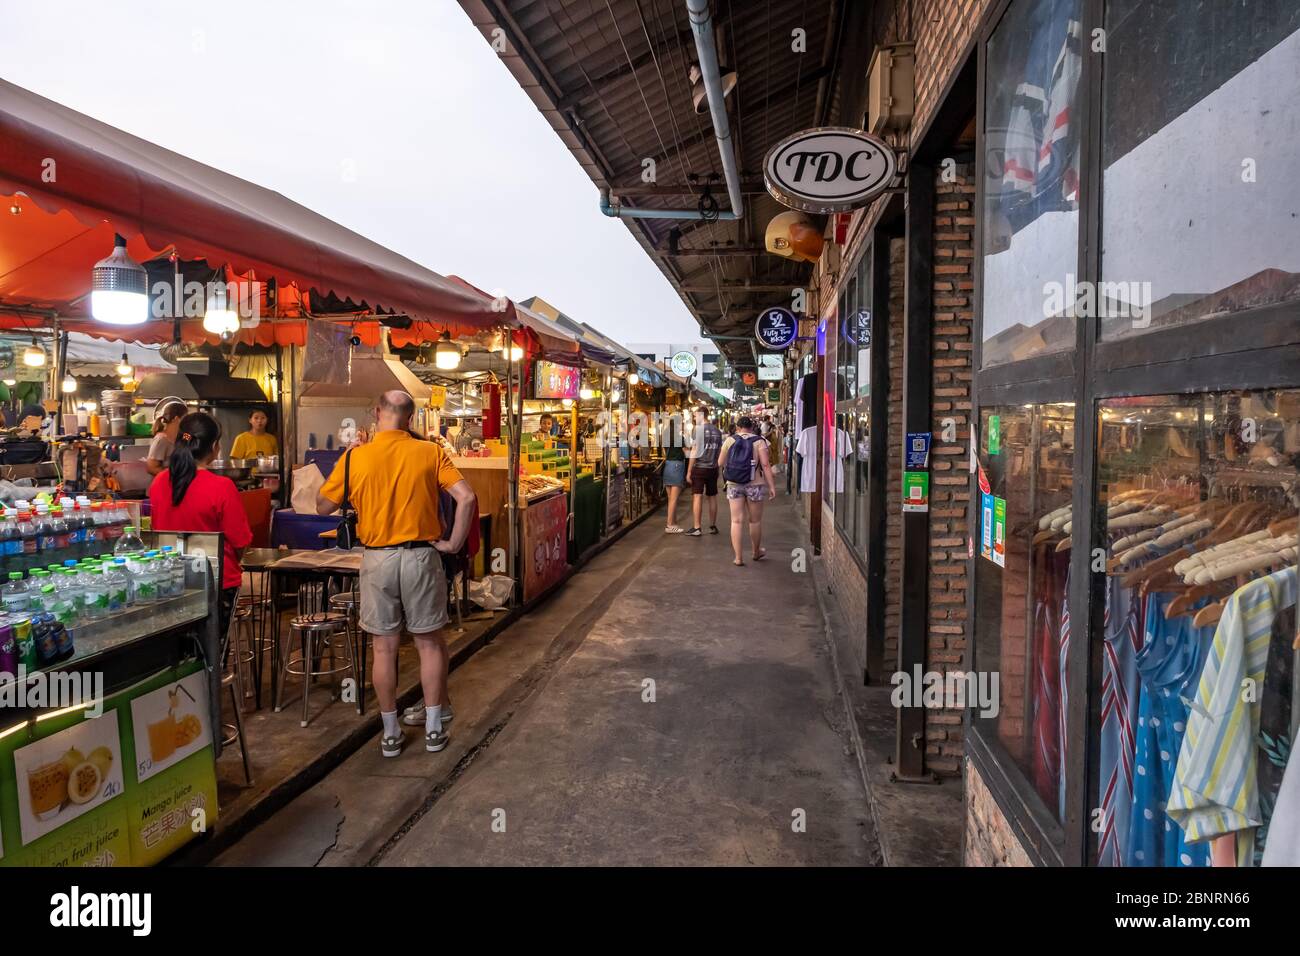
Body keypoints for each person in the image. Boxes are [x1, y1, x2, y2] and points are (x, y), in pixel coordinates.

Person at [317, 390, 475, 758]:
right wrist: (453, 544)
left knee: (384, 648)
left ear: (377, 414)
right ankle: (435, 728)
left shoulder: (356, 457)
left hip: (377, 560)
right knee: (430, 644)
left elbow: (322, 506)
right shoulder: (431, 452)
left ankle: (390, 734)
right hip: (422, 556)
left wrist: (349, 468)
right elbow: (466, 497)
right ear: (411, 417)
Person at [148, 412, 252, 638]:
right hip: (217, 584)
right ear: (215, 447)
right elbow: (240, 540)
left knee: (181, 655)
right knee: (212, 655)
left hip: (171, 581)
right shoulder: (222, 486)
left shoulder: (159, 482)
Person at [718, 415, 777, 566]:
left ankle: (738, 558)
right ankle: (756, 552)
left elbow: (720, 462)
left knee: (736, 521)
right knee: (755, 521)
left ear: (738, 428)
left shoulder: (730, 440)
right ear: (751, 427)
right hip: (755, 484)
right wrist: (771, 486)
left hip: (734, 484)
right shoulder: (759, 441)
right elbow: (765, 465)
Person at [685, 407, 723, 537]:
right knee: (712, 496)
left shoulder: (698, 430)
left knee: (697, 496)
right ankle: (713, 526)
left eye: (695, 416)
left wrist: (689, 471)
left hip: (700, 468)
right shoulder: (717, 431)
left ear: (701, 415)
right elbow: (719, 452)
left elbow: (694, 451)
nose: (694, 418)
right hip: (712, 468)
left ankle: (697, 527)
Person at [661, 412, 687, 533]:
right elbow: (686, 452)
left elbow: (664, 451)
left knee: (670, 498)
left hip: (668, 466)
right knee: (673, 499)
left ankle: (673, 522)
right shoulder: (678, 437)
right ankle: (670, 525)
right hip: (676, 466)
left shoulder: (665, 435)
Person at [146, 400, 187, 476]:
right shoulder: (161, 440)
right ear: (176, 419)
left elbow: (194, 440)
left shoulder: (182, 435)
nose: (187, 421)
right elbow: (151, 468)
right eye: (185, 417)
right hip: (165, 485)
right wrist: (175, 475)